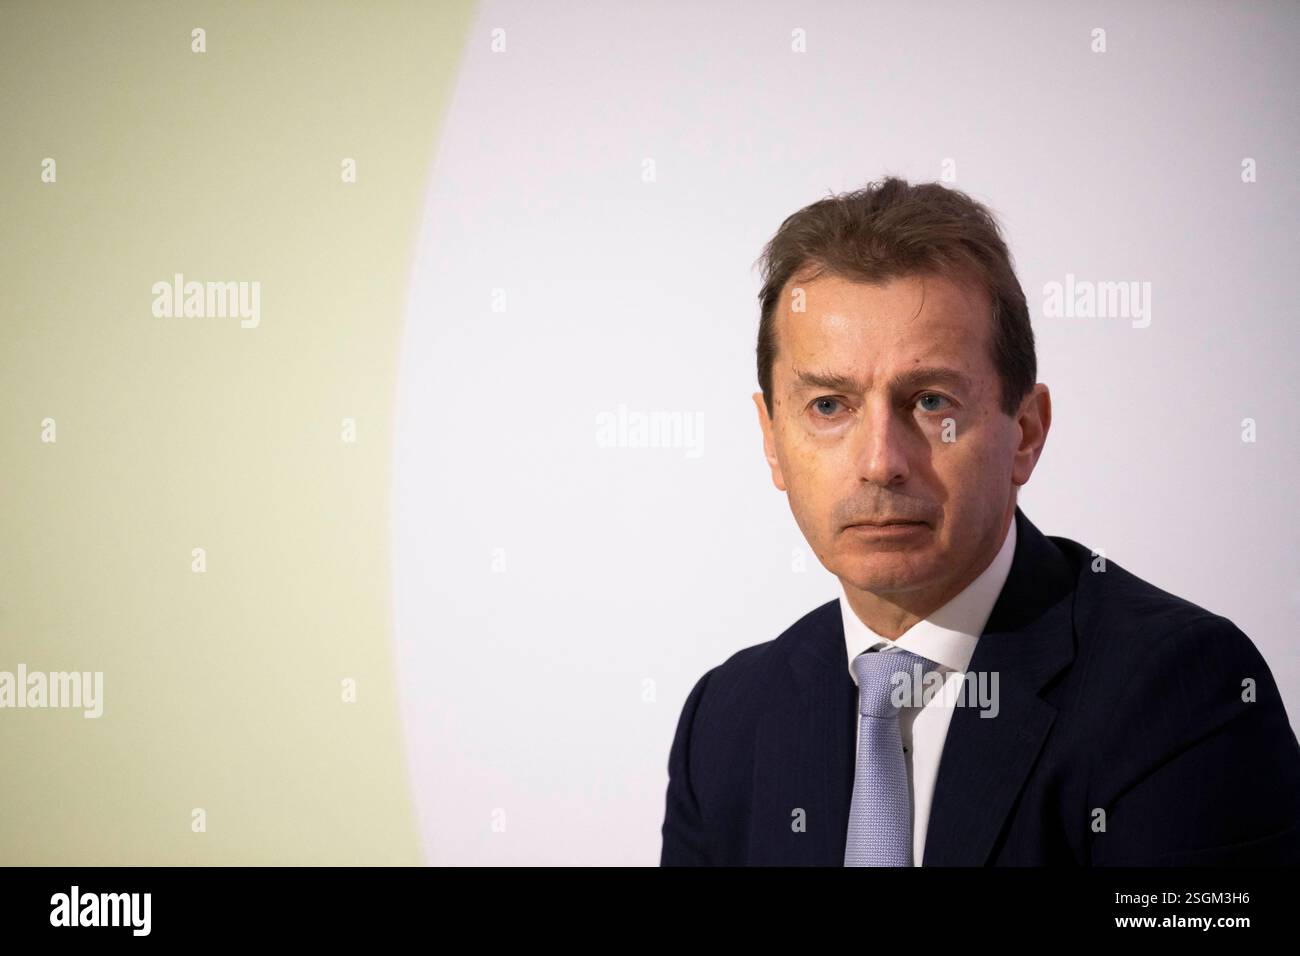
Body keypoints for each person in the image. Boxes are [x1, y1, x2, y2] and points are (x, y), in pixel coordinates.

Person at [659, 177, 1300, 866]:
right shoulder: (726, 721)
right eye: (828, 406)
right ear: (771, 439)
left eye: (931, 401)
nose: (880, 462)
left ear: (1024, 431)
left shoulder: (1182, 694)